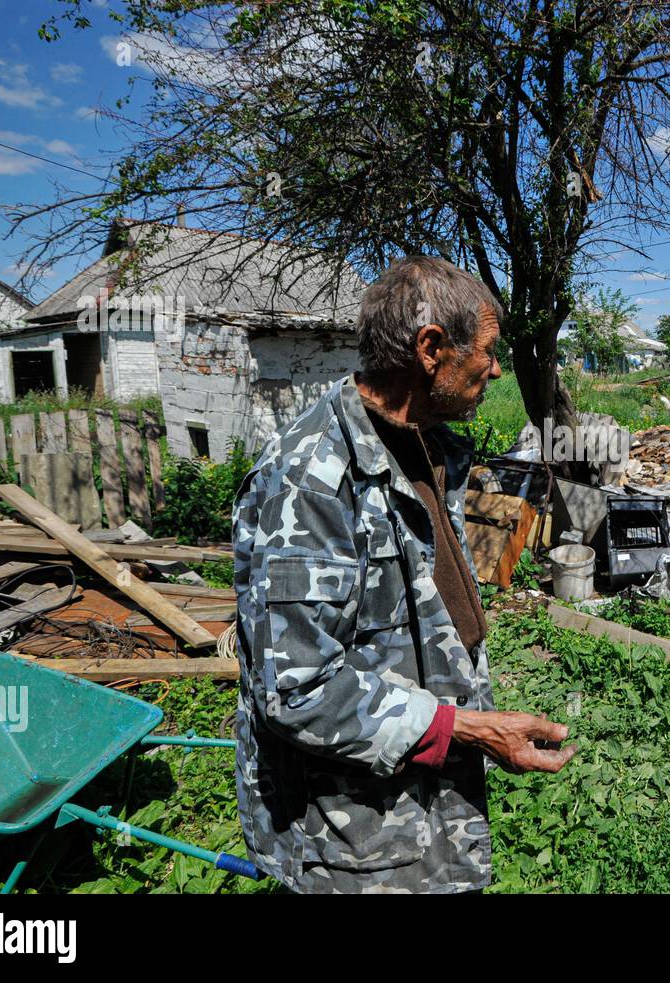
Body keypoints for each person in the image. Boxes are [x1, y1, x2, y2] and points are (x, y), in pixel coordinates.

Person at [232, 256, 577, 894]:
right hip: (354, 837)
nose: (497, 369)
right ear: (430, 349)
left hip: (425, 807)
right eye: (489, 350)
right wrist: (471, 729)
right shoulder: (309, 483)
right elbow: (296, 688)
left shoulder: (431, 443)